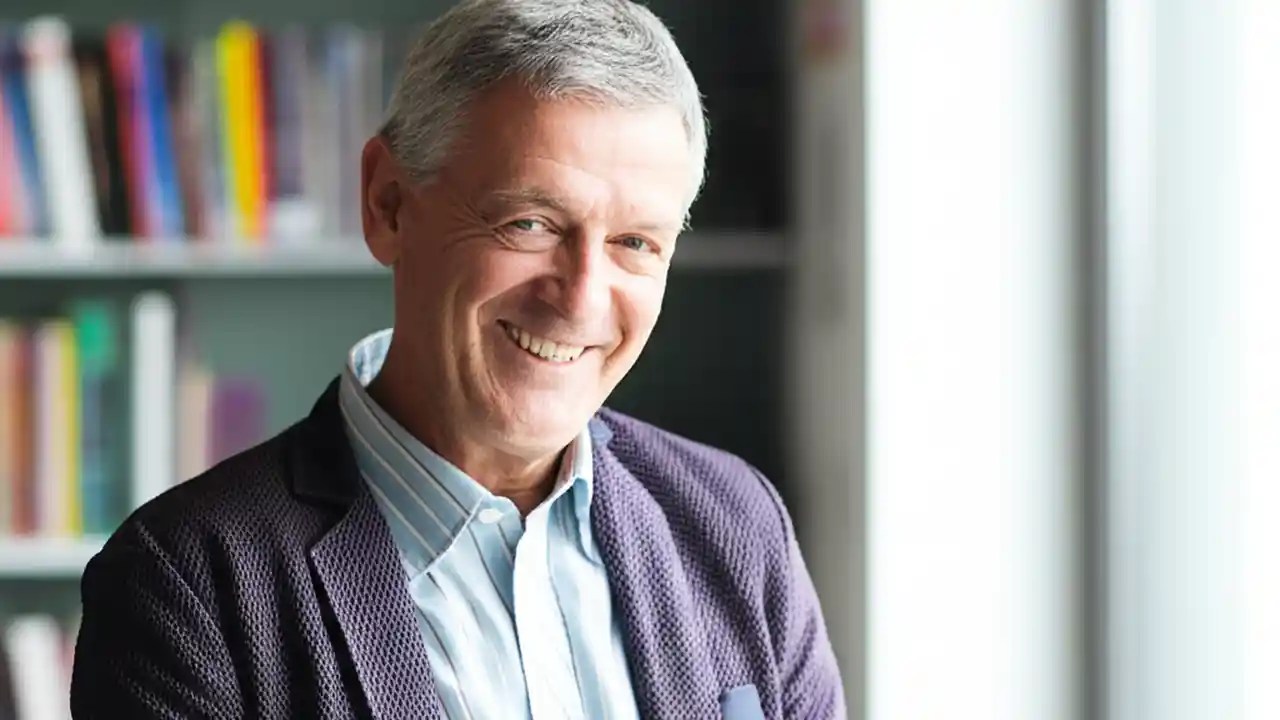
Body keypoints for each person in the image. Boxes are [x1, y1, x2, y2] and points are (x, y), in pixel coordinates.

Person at [70, 1, 845, 718]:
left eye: (634, 243)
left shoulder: (738, 526)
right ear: (388, 205)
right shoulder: (187, 586)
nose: (580, 299)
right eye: (531, 223)